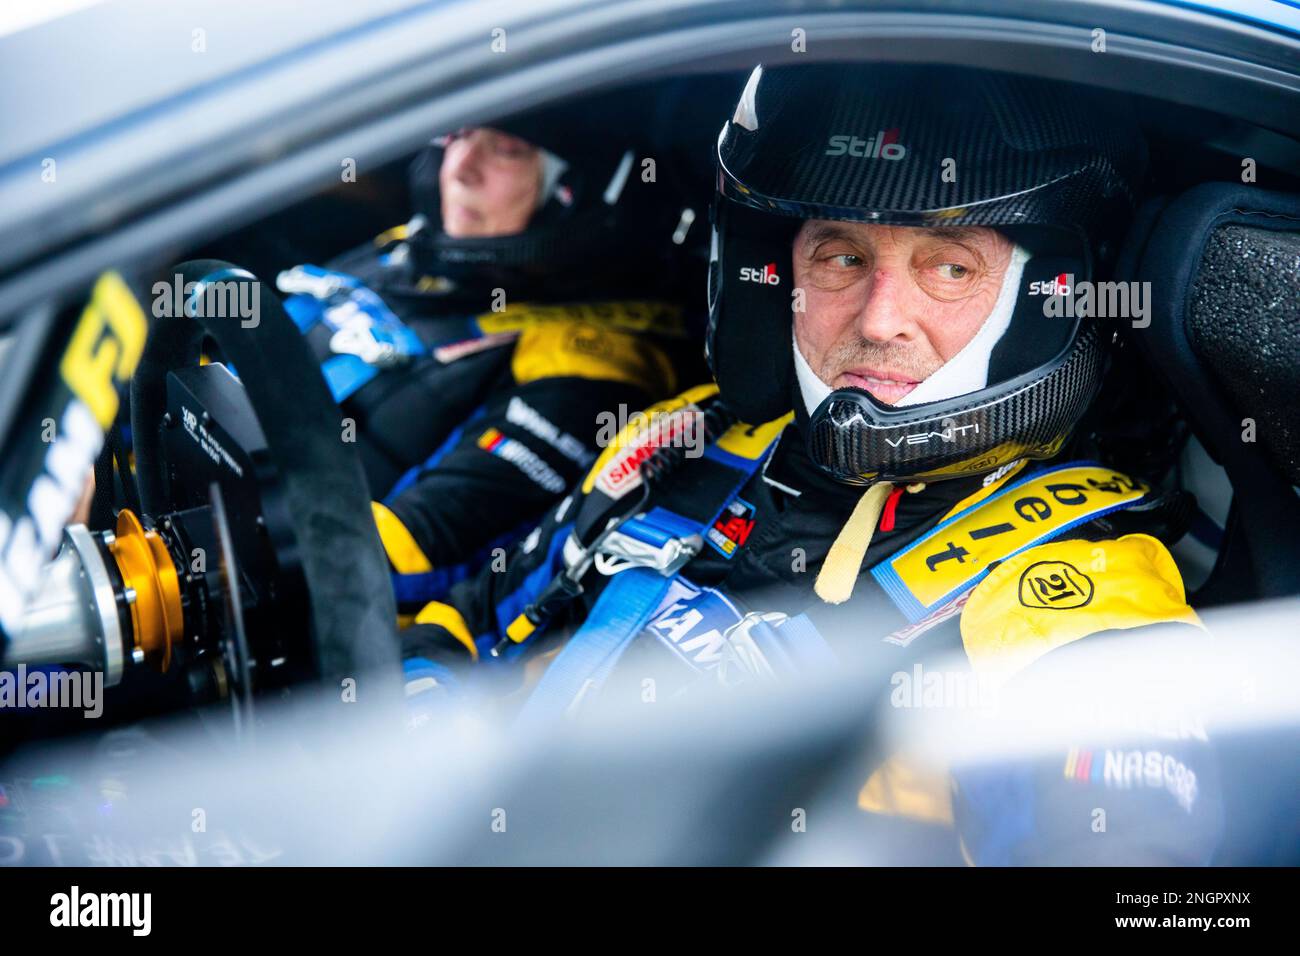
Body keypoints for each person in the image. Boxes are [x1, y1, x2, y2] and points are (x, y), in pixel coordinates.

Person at [396, 64, 1222, 864]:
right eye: (841, 257)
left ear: (1050, 295)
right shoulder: (688, 445)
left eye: (949, 266)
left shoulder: (1077, 587)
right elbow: (463, 621)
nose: (880, 318)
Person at [276, 101, 705, 610]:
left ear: (577, 190)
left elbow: (391, 559)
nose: (461, 168)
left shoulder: (593, 370)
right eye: (459, 134)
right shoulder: (417, 249)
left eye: (507, 150)